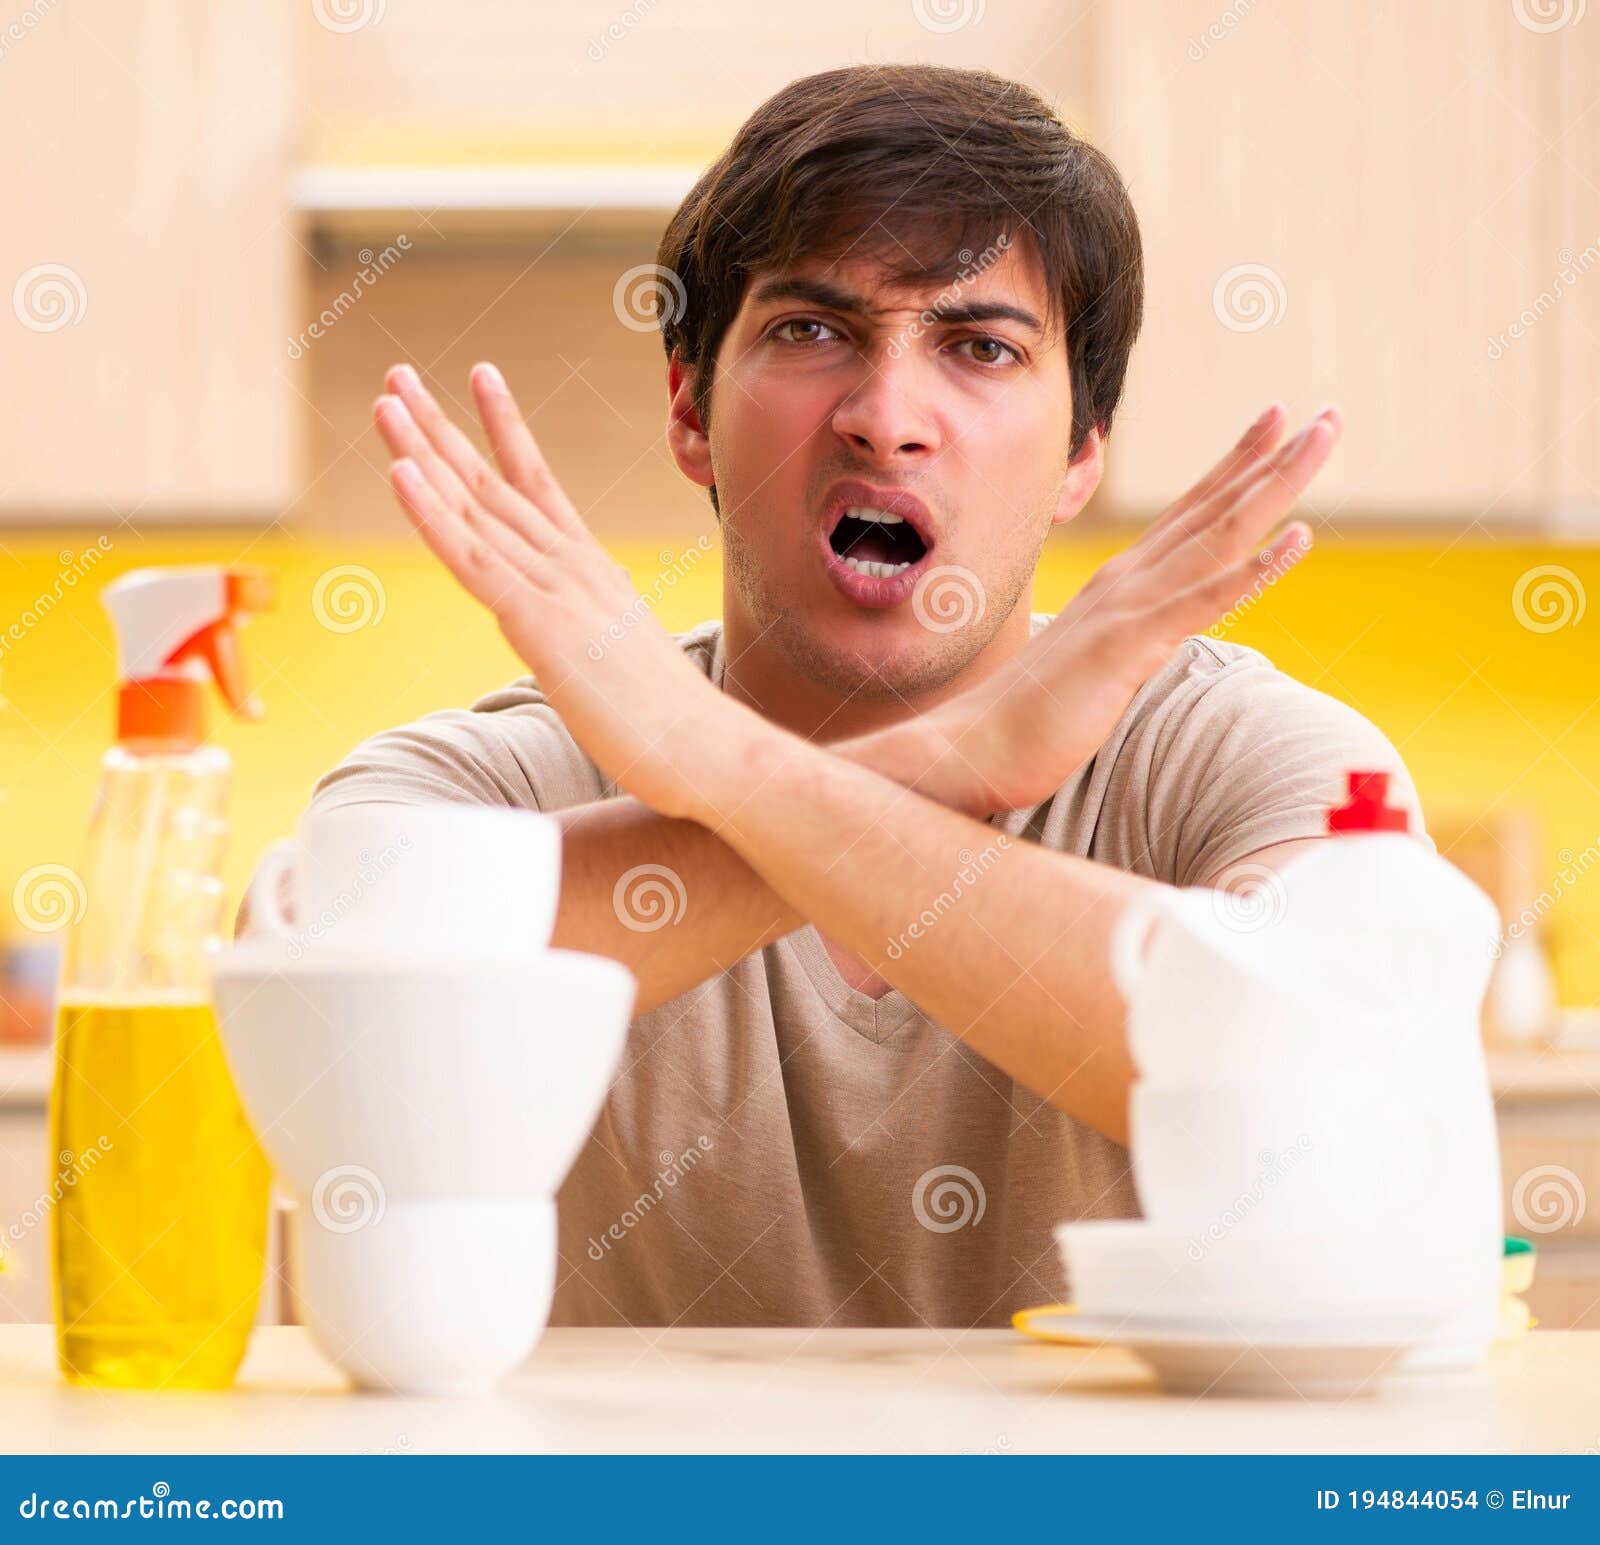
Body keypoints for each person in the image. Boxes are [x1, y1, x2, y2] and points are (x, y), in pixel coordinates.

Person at [245, 63, 1427, 1329]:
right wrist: (954, 761)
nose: (885, 417)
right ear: (690, 410)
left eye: (978, 346)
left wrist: (734, 772)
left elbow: (1318, 1078)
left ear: (1083, 452)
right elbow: (336, 1052)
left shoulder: (1238, 762)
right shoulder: (478, 792)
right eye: (811, 332)